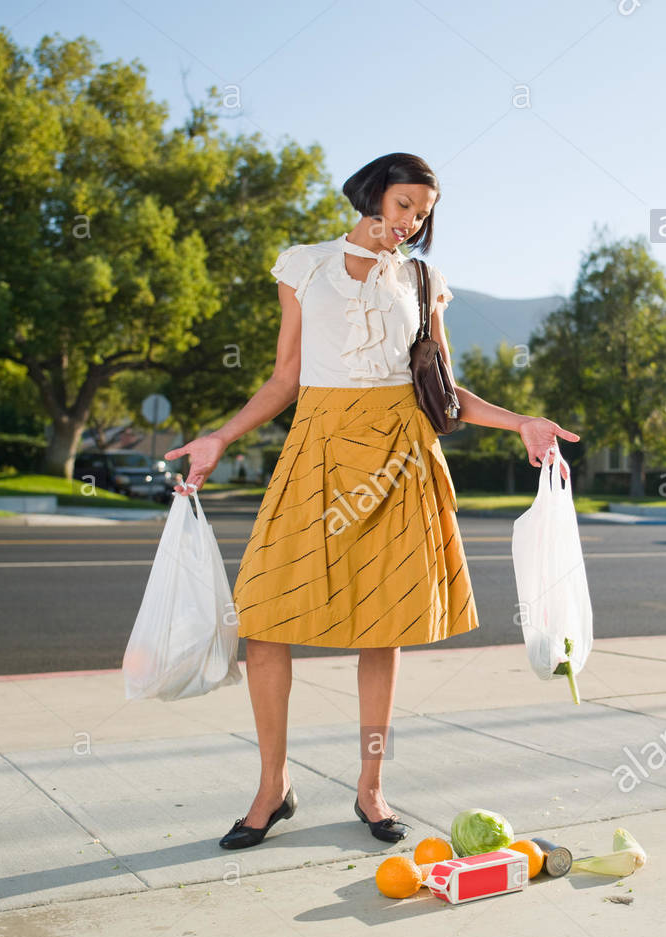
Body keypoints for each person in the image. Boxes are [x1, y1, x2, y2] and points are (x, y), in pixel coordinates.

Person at [164, 152, 579, 850]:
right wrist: (218, 436)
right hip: (318, 448)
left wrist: (521, 423)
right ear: (375, 193)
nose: (414, 220)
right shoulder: (304, 265)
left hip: (401, 452)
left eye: (424, 211)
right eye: (407, 202)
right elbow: (286, 376)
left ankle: (371, 785)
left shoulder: (421, 280)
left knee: (380, 625)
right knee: (264, 616)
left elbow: (443, 390)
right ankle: (273, 786)